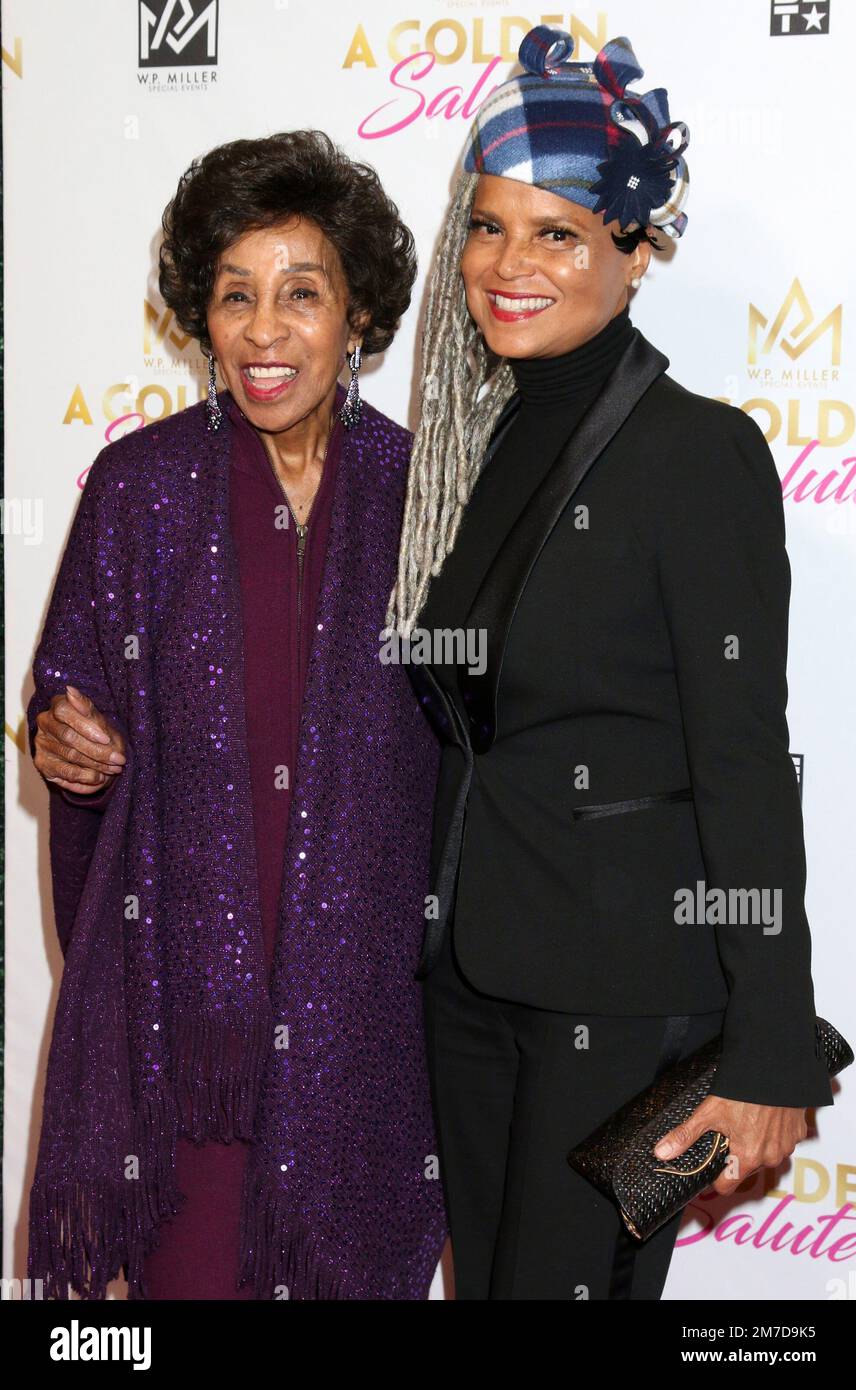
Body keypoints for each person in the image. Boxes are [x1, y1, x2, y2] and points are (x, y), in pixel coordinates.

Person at [386, 28, 834, 1300]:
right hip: (470, 976)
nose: (505, 266)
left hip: (624, 991)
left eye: (557, 234)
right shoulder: (467, 448)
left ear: (635, 255)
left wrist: (764, 1047)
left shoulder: (698, 455)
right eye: (486, 228)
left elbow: (745, 758)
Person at [27, 130, 447, 1300]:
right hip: (187, 1033)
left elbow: (481, 749)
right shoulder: (139, 487)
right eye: (234, 296)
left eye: (300, 295)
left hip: (369, 1033)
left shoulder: (428, 501)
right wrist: (68, 747)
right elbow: (71, 701)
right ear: (198, 316)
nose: (265, 332)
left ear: (356, 314)